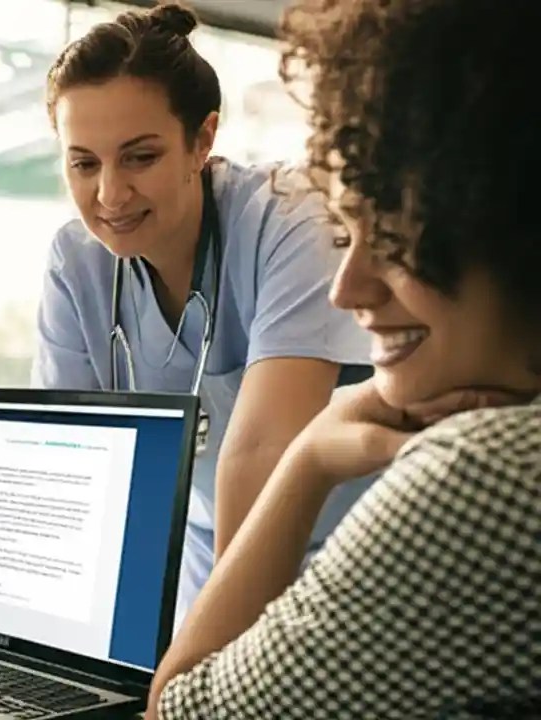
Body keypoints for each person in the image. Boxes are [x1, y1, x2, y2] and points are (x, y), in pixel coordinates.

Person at [147, 0, 541, 716]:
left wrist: (311, 456)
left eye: (390, 237)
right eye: (345, 233)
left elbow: (177, 708)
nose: (346, 291)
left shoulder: (486, 471)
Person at [33, 0, 375, 626]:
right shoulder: (75, 262)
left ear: (202, 141)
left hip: (347, 568)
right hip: (204, 563)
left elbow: (261, 446)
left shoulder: (286, 218)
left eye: (140, 157)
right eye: (84, 163)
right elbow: (70, 470)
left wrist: (213, 658)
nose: (110, 194)